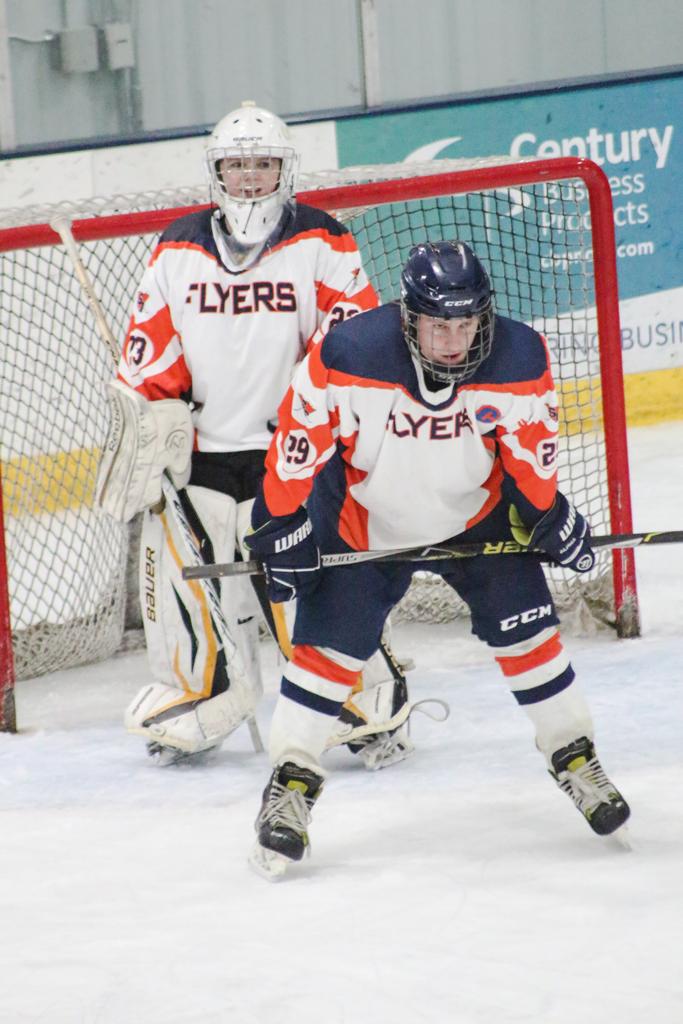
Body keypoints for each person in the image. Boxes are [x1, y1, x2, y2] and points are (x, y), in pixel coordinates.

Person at [245, 239, 631, 878]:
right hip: (364, 521)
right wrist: (278, 523)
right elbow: (296, 448)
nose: (454, 341)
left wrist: (548, 514)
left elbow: (529, 459)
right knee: (328, 650)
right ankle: (289, 786)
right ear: (409, 318)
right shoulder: (347, 355)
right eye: (438, 325)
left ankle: (575, 757)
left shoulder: (519, 358)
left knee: (530, 635)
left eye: (466, 323)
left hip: (476, 519)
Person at [95, 101, 414, 765]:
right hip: (203, 457)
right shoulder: (178, 246)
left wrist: (324, 427)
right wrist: (150, 415)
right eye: (236, 164)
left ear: (283, 170)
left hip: (291, 454)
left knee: (311, 583)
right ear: (216, 171)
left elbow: (351, 341)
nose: (248, 176)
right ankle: (200, 692)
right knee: (187, 587)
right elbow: (151, 346)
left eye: (262, 163)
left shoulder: (323, 240)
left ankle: (359, 696)